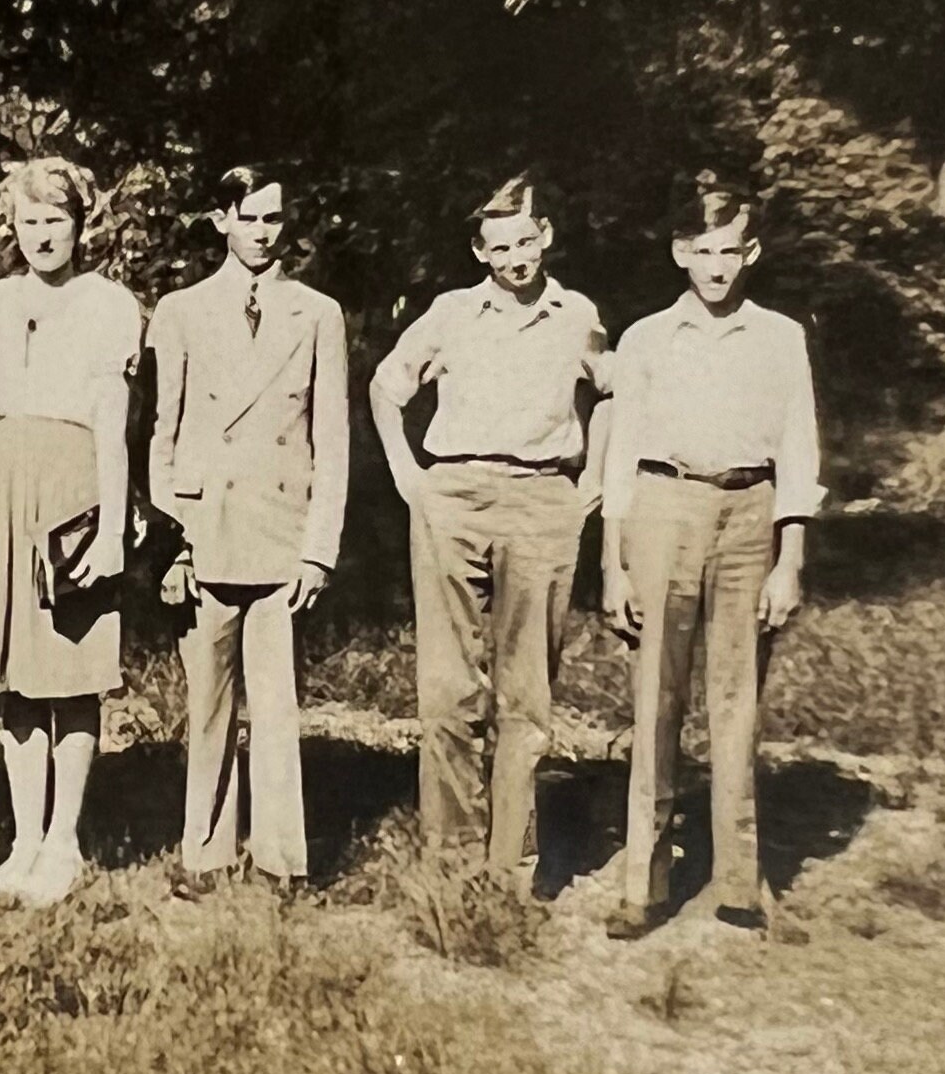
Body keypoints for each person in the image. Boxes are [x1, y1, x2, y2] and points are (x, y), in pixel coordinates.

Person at [369, 173, 611, 886]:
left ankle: (513, 864)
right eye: (499, 247)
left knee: (526, 696)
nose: (516, 259)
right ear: (480, 251)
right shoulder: (450, 313)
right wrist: (408, 476)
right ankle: (452, 864)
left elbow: (613, 390)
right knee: (448, 689)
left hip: (543, 501)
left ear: (546, 237)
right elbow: (386, 387)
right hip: (455, 498)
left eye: (526, 242)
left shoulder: (577, 314)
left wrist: (594, 477)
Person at [599, 172, 821, 941]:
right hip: (663, 508)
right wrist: (612, 564)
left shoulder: (781, 337)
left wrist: (790, 558)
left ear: (750, 252)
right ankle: (643, 884)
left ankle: (738, 881)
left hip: (749, 514)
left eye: (731, 251)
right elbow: (620, 455)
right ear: (680, 253)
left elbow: (798, 447)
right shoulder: (646, 339)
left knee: (737, 699)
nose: (717, 267)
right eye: (703, 251)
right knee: (656, 701)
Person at [146, 165, 350, 888]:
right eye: (250, 217)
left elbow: (332, 440)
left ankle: (279, 859)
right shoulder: (181, 311)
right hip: (206, 529)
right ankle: (204, 851)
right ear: (221, 221)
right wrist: (173, 538)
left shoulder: (317, 313)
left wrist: (318, 550)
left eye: (274, 218)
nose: (263, 232)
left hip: (280, 533)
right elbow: (163, 433)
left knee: (276, 702)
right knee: (207, 701)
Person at [0, 157, 145, 908]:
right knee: (15, 677)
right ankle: (25, 836)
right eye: (28, 221)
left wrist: (111, 529)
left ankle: (64, 839)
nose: (41, 235)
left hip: (71, 491)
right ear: (13, 226)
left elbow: (112, 427)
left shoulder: (108, 305)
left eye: (55, 220)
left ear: (79, 225)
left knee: (71, 669)